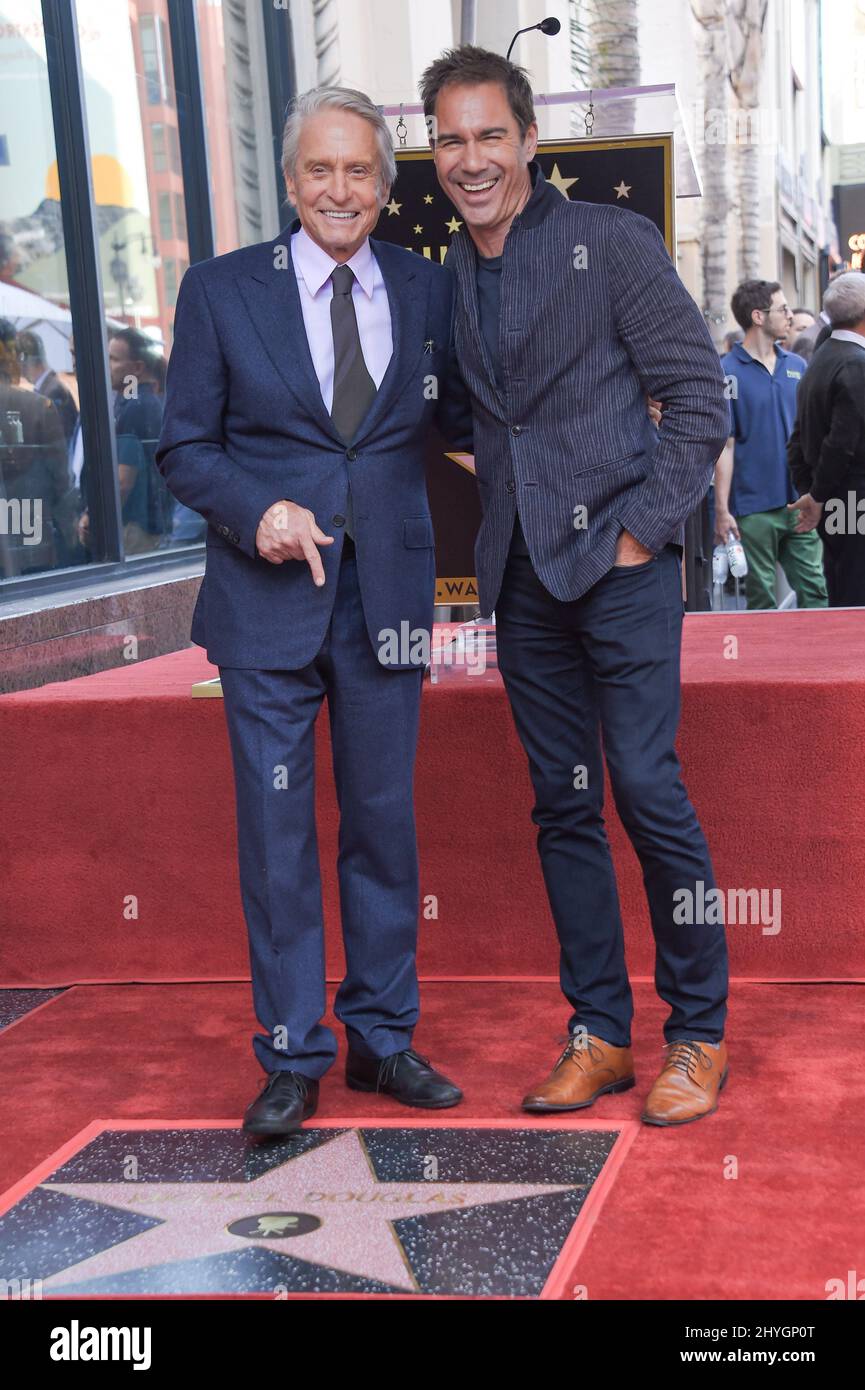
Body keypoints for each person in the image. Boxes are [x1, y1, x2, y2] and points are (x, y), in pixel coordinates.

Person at [420, 45, 731, 1126]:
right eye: (451, 139)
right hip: (521, 583)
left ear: (529, 141)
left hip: (622, 573)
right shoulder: (446, 275)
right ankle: (599, 1032)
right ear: (434, 152)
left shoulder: (611, 240)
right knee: (563, 805)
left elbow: (699, 398)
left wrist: (643, 533)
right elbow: (464, 420)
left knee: (646, 789)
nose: (472, 158)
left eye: (490, 135)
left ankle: (697, 1030)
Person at [156, 87, 474, 1137]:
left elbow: (471, 422)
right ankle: (293, 1050)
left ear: (386, 189)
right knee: (277, 832)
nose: (340, 189)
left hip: (387, 597)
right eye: (320, 171)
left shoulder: (430, 290)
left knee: (384, 827)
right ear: (290, 184)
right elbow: (184, 448)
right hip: (266, 607)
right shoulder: (218, 290)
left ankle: (383, 1039)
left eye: (360, 172)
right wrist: (261, 511)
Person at [716, 279, 827, 609]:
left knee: (815, 592)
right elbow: (726, 445)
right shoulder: (726, 372)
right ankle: (766, 662)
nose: (790, 315)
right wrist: (723, 511)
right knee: (761, 601)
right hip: (753, 508)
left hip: (799, 502)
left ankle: (818, 661)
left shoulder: (798, 367)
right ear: (758, 316)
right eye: (782, 308)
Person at [786, 270, 865, 606]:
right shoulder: (855, 364)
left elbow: (798, 439)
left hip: (837, 503)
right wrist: (815, 496)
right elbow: (841, 442)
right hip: (854, 503)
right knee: (854, 599)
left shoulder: (819, 361)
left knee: (842, 591)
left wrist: (811, 493)